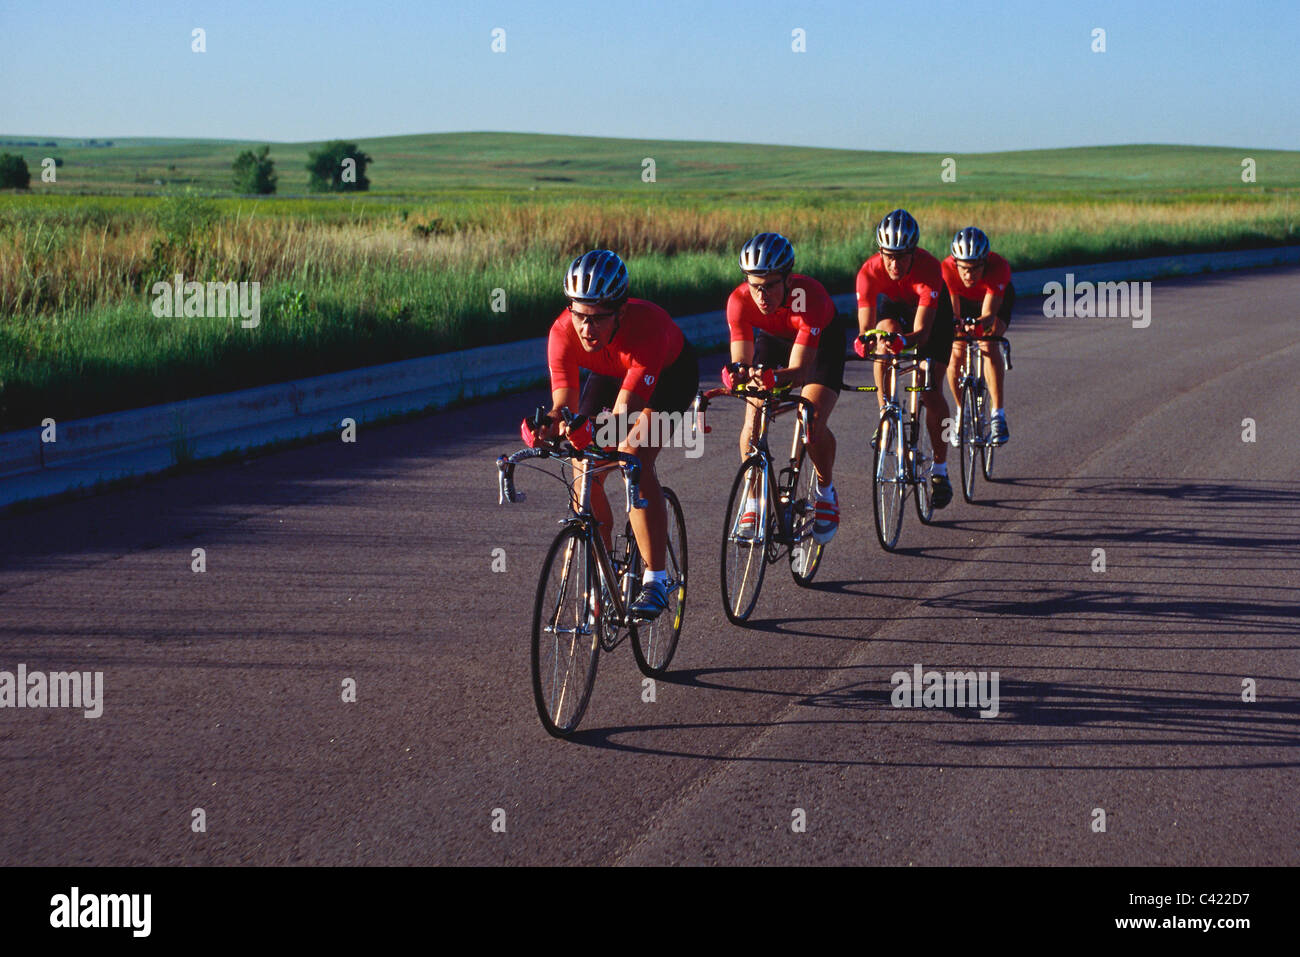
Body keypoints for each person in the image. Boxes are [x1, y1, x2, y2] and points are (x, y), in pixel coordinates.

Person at [527, 249, 699, 620]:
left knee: (633, 453)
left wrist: (588, 433)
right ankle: (600, 564)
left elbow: (624, 415)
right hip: (610, 371)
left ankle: (656, 579)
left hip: (667, 376)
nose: (586, 328)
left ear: (620, 312)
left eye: (597, 318)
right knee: (584, 466)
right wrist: (548, 427)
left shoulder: (648, 326)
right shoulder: (562, 332)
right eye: (579, 315)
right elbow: (564, 406)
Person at [724, 232, 846, 544]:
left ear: (788, 279)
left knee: (812, 420)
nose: (762, 295)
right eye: (755, 286)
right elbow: (742, 358)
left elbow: (800, 372)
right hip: (774, 338)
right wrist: (739, 374)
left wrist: (773, 380)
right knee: (753, 420)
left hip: (820, 343)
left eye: (770, 286)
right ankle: (754, 501)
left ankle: (825, 491)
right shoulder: (739, 301)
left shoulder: (811, 298)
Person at [854, 209, 954, 507]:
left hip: (932, 318)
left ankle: (940, 470)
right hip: (895, 307)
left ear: (913, 252)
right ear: (880, 252)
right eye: (889, 256)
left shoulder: (929, 269)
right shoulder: (869, 272)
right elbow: (866, 328)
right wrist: (868, 341)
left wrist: (903, 342)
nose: (894, 263)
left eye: (901, 256)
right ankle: (886, 412)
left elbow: (922, 334)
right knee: (883, 335)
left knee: (930, 391)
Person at [942, 227, 1015, 444]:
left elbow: (989, 316)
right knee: (956, 351)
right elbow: (953, 313)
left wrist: (979, 326)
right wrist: (957, 327)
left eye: (974, 269)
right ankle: (961, 413)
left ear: (985, 262)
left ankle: (997, 416)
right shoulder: (946, 269)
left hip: (993, 301)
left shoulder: (999, 267)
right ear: (955, 263)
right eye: (963, 268)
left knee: (987, 344)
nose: (968, 274)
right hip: (963, 302)